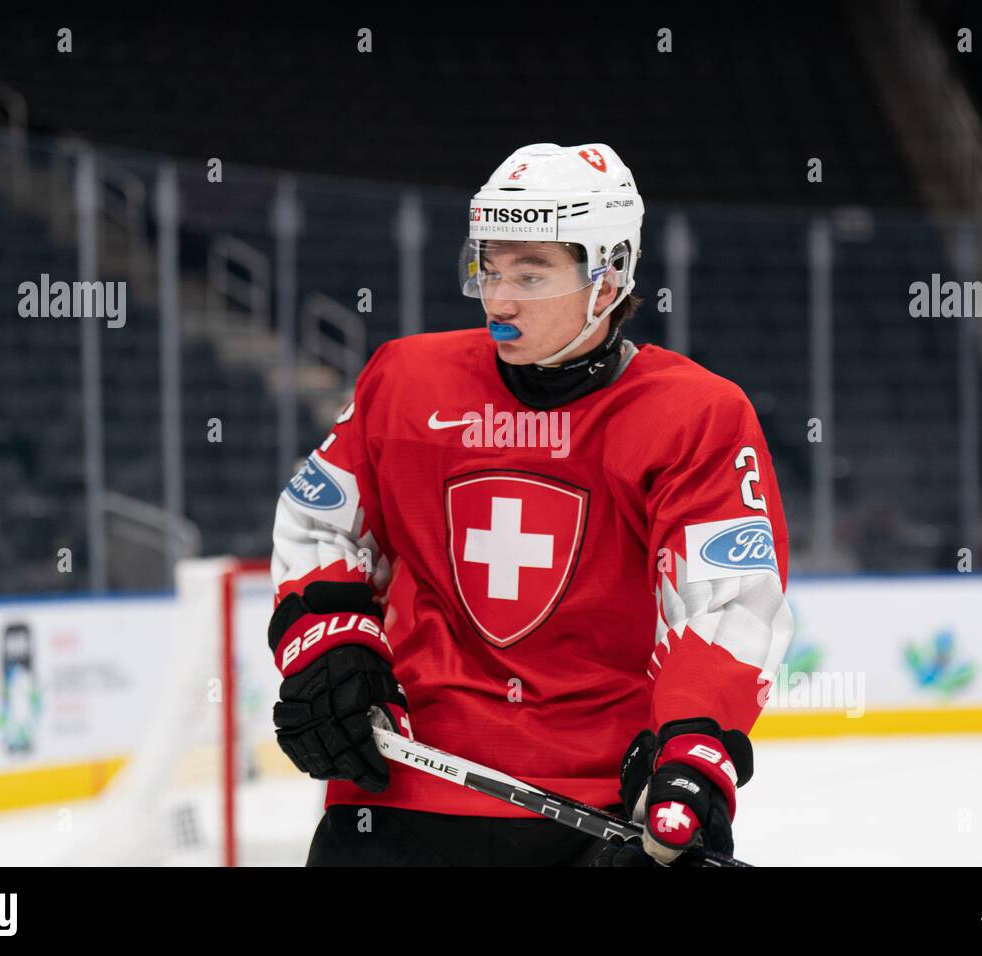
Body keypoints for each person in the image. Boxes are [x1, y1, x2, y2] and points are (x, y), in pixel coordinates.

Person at [268, 143, 794, 866]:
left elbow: (725, 603)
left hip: (591, 809)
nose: (500, 298)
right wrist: (329, 644)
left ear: (609, 278)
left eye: (532, 273)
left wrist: (692, 755)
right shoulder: (405, 380)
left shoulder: (694, 414)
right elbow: (319, 523)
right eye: (489, 267)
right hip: (400, 795)